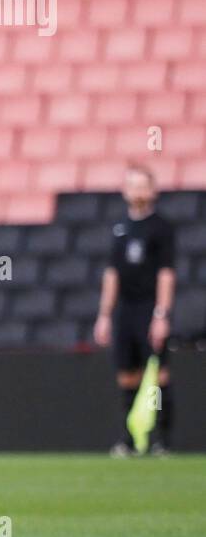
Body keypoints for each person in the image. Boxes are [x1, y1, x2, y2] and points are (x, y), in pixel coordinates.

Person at [93, 165, 177, 456]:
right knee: (127, 375)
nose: (138, 191)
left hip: (149, 309)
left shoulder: (161, 228)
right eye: (133, 185)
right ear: (125, 190)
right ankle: (128, 438)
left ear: (153, 191)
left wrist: (161, 314)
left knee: (157, 375)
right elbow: (112, 273)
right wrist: (105, 314)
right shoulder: (119, 228)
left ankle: (161, 439)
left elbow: (166, 273)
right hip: (125, 310)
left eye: (143, 185)